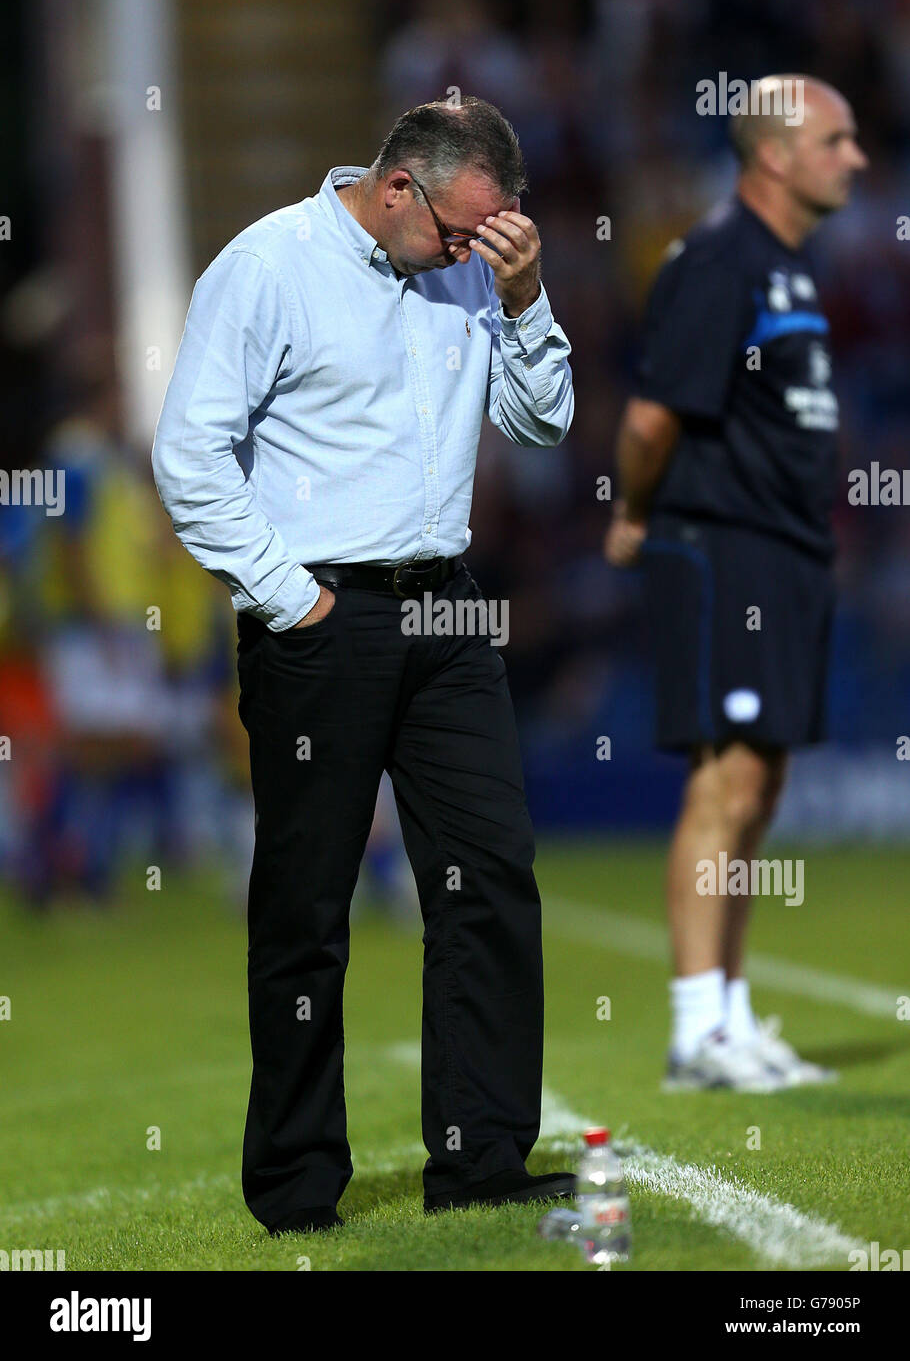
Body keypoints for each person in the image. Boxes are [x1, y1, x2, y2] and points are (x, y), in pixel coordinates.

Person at [152, 97, 576, 1233]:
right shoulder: (268, 264)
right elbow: (188, 451)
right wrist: (291, 599)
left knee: (487, 880)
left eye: (495, 235)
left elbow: (544, 428)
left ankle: (479, 1160)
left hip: (447, 614)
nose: (470, 252)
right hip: (319, 622)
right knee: (307, 906)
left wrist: (526, 296)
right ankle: (294, 1186)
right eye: (460, 232)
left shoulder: (473, 265)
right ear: (399, 186)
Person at [605, 76, 867, 1091]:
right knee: (725, 782)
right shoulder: (718, 261)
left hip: (786, 551)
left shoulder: (786, 269)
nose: (854, 158)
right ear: (772, 153)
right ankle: (692, 1030)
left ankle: (731, 1012)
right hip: (722, 549)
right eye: (834, 140)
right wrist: (631, 512)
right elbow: (649, 419)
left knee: (759, 787)